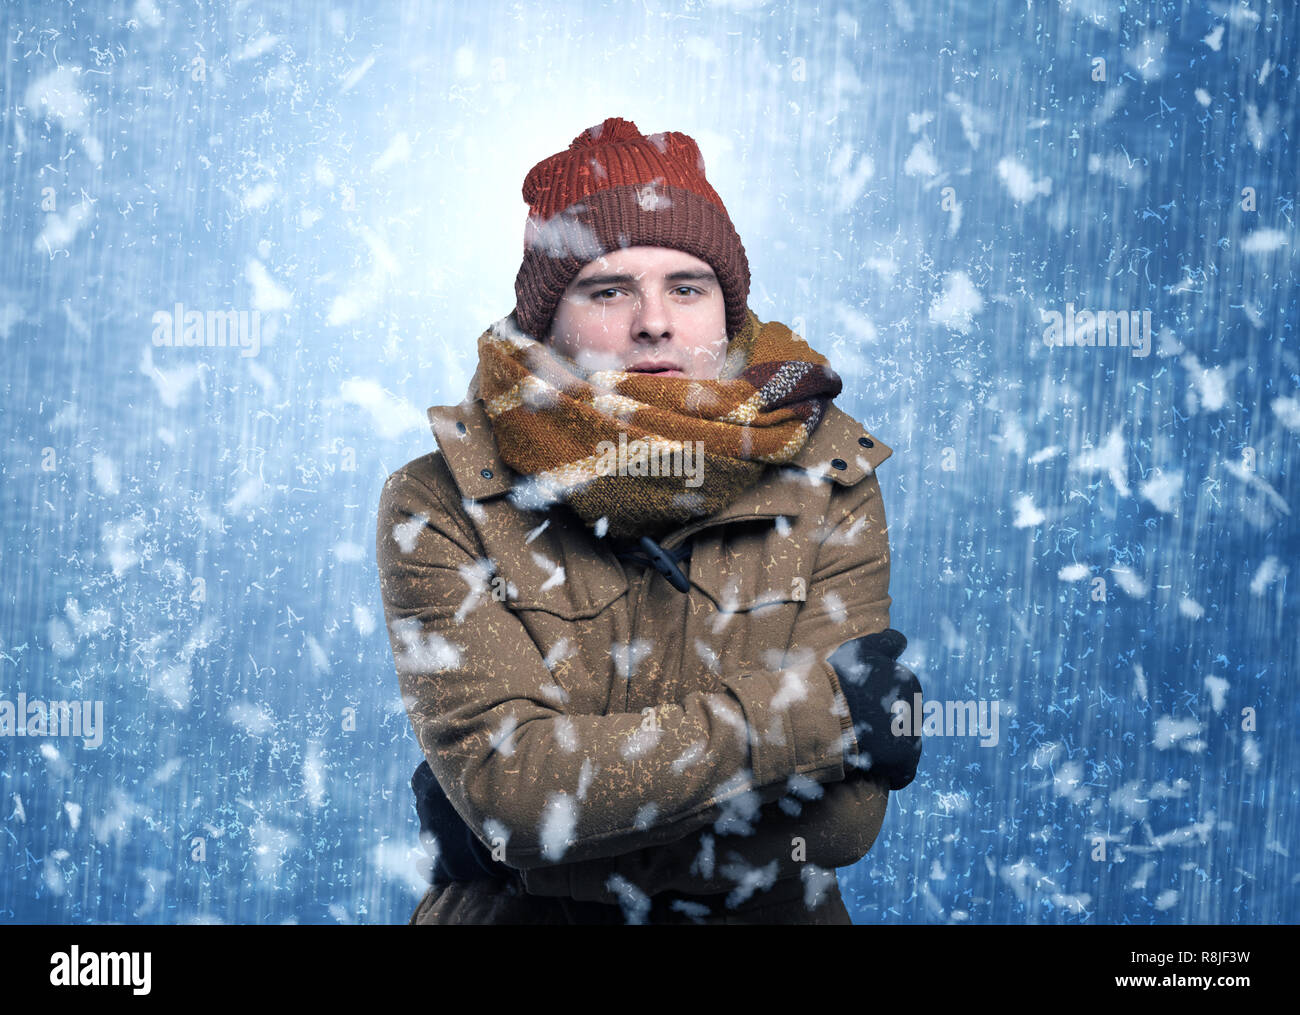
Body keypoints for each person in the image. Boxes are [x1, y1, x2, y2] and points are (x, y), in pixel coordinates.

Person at [375, 116, 922, 925]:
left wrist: (543, 838)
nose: (655, 321)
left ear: (726, 313)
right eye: (609, 289)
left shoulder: (828, 477)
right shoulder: (441, 503)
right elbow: (517, 801)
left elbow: (841, 823)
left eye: (688, 287)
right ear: (546, 318)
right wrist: (823, 718)